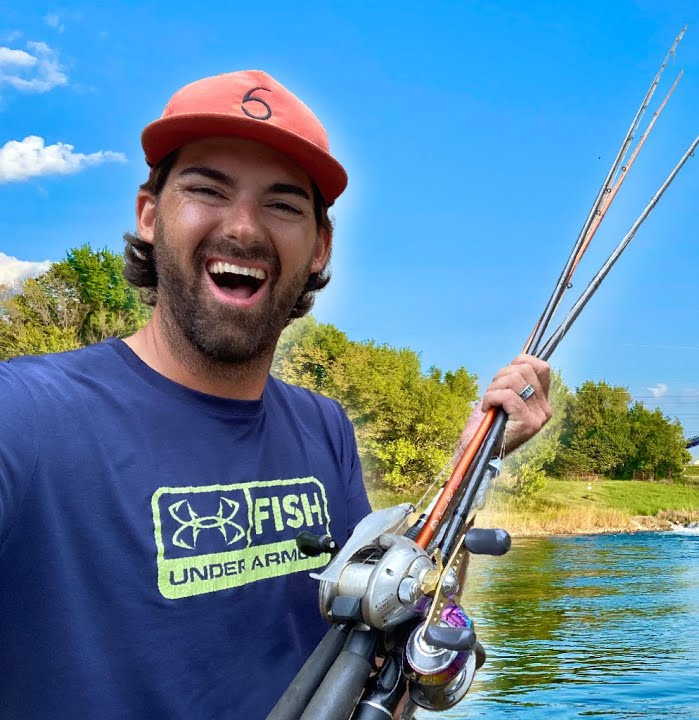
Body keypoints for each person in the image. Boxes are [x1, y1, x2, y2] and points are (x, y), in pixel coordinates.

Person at [0, 69, 552, 718]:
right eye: (208, 189)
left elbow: (380, 668)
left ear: (319, 247)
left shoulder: (323, 428)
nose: (243, 228)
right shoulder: (26, 416)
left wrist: (473, 463)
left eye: (283, 204)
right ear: (150, 215)